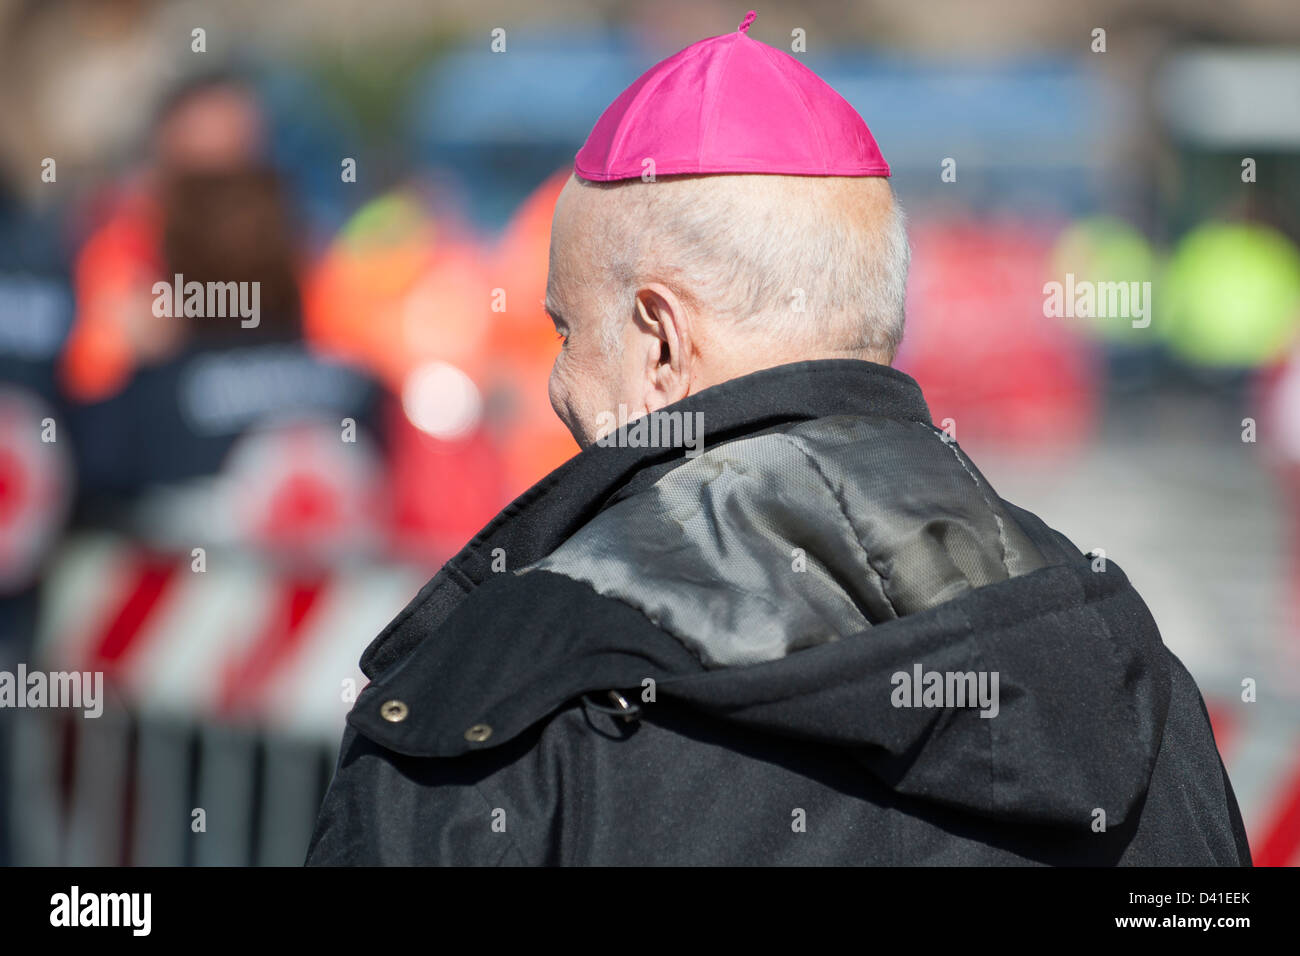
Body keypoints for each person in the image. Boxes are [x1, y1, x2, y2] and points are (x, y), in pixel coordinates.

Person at [307, 12, 1250, 866]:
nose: (555, 385)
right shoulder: (1125, 681)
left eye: (565, 332)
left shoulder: (496, 710)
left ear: (661, 338)